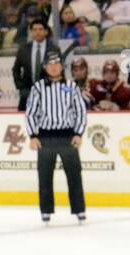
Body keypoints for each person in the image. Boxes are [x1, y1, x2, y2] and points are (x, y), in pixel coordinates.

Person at [26, 50, 88, 225]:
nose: (54, 67)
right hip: (45, 138)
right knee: (44, 177)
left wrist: (78, 133)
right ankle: (46, 211)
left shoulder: (71, 86)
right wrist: (33, 135)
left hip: (68, 137)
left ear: (62, 66)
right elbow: (31, 113)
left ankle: (79, 210)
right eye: (50, 64)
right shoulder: (37, 87)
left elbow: (80, 112)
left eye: (57, 64)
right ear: (45, 67)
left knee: (74, 176)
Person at [14, 16, 51, 111]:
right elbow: (16, 69)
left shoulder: (53, 49)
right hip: (27, 92)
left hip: (48, 92)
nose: (37, 32)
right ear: (31, 32)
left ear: (46, 32)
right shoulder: (24, 49)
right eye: (34, 30)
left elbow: (59, 71)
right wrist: (21, 88)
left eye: (40, 29)